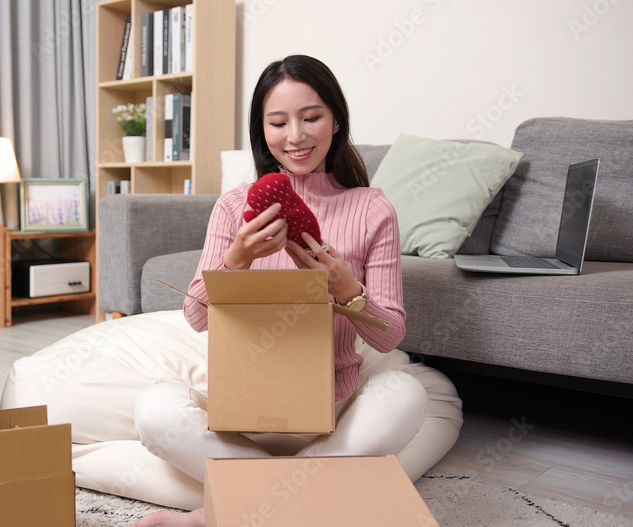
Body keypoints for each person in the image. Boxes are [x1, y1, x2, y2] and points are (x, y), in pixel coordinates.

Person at [130, 55, 428, 527]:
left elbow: (389, 337)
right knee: (154, 411)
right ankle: (302, 503)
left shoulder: (372, 208)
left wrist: (347, 289)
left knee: (408, 394)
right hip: (241, 412)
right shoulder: (233, 208)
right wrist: (238, 259)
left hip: (334, 407)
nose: (295, 136)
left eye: (311, 118)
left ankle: (223, 513)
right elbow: (196, 318)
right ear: (261, 130)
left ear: (336, 121)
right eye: (278, 122)